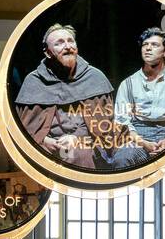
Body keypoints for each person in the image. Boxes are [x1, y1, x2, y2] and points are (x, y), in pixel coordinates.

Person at [14, 23, 126, 170]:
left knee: (76, 153)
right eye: (59, 43)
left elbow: (104, 127)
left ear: (77, 48)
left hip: (86, 144)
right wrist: (44, 140)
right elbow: (25, 129)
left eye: (70, 41)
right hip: (45, 144)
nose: (67, 46)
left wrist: (77, 138)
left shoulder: (94, 78)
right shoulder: (34, 82)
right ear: (47, 52)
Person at [110, 27, 165, 167]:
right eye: (145, 45)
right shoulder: (128, 84)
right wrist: (142, 143)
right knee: (121, 158)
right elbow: (122, 120)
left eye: (154, 45)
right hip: (138, 135)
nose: (148, 48)